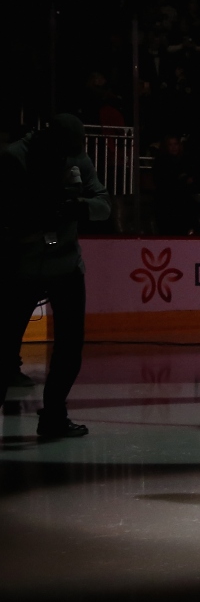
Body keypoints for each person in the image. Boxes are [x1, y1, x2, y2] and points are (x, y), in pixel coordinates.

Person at [1, 114, 110, 438]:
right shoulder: (13, 159)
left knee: (70, 346)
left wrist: (78, 207)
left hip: (65, 265)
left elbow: (103, 204)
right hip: (20, 266)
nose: (69, 157)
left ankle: (54, 415)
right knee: (5, 347)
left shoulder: (78, 157)